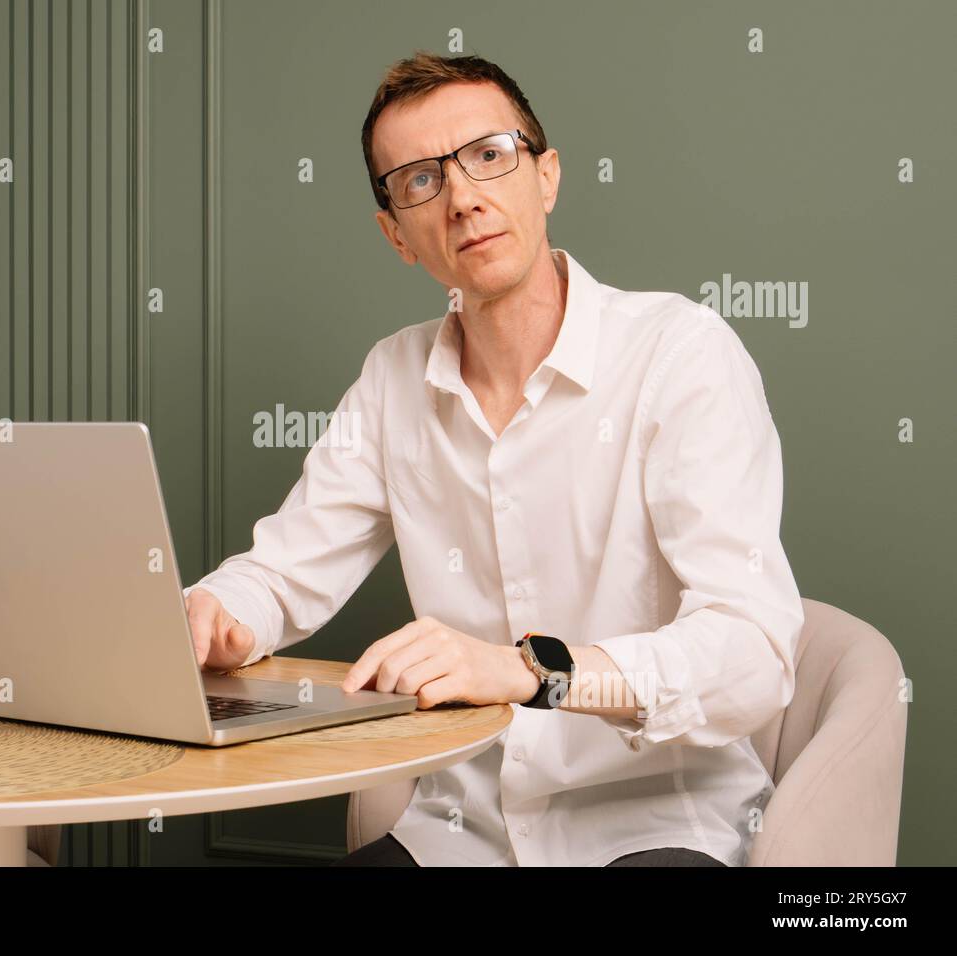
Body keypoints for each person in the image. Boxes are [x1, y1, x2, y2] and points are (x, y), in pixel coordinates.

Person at [183, 51, 803, 867]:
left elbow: (755, 650)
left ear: (546, 177)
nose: (464, 198)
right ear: (396, 234)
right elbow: (279, 575)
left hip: (658, 825)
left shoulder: (680, 355)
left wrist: (531, 671)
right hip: (459, 834)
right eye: (420, 180)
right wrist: (215, 617)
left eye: (489, 155)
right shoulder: (392, 378)